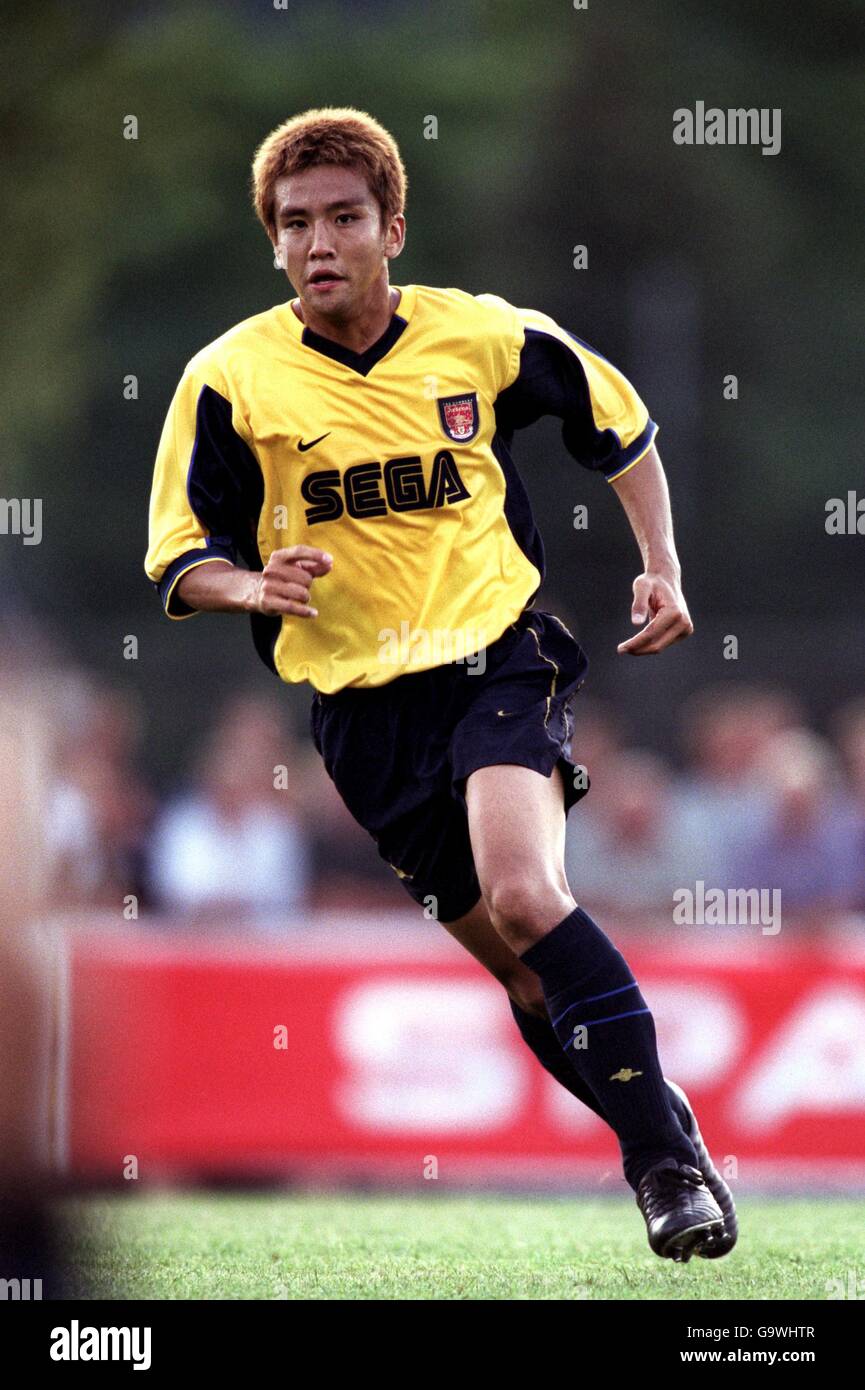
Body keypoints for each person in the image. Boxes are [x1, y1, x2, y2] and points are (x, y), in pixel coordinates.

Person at [144, 107, 735, 1262]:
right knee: (523, 979)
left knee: (525, 897)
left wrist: (660, 568)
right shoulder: (228, 380)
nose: (321, 243)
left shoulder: (483, 338)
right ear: (272, 242)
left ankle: (658, 1166)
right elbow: (176, 555)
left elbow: (619, 427)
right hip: (360, 718)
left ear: (391, 228)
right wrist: (250, 588)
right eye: (296, 223)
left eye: (345, 219)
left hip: (492, 657)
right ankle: (667, 1128)